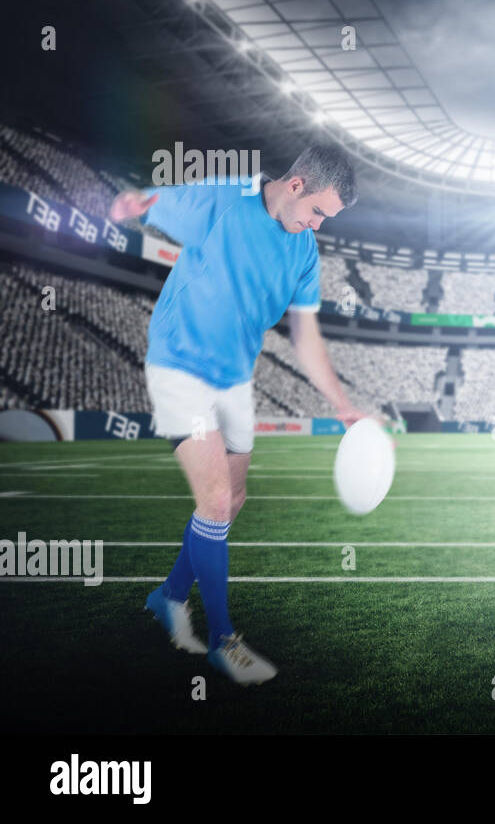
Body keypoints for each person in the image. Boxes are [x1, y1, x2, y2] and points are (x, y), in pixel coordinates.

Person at [109, 144, 371, 685]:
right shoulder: (224, 200)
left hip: (234, 378)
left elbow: (304, 334)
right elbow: (155, 202)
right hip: (180, 365)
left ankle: (170, 595)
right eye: (318, 212)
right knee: (215, 499)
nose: (317, 225)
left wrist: (343, 405)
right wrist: (132, 204)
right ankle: (224, 642)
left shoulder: (303, 251)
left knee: (234, 497)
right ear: (296, 186)